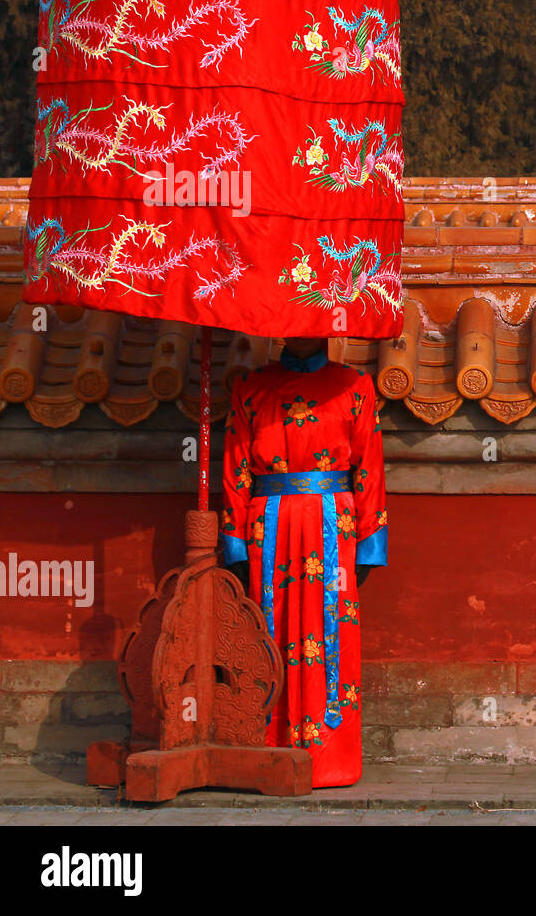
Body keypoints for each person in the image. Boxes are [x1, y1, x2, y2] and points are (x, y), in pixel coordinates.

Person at [219, 335, 387, 787]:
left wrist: (371, 542)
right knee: (268, 632)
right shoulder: (251, 388)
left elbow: (369, 463)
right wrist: (233, 540)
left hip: (333, 523)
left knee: (331, 634)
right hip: (268, 526)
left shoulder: (354, 386)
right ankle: (270, 750)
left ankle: (330, 760)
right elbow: (235, 465)